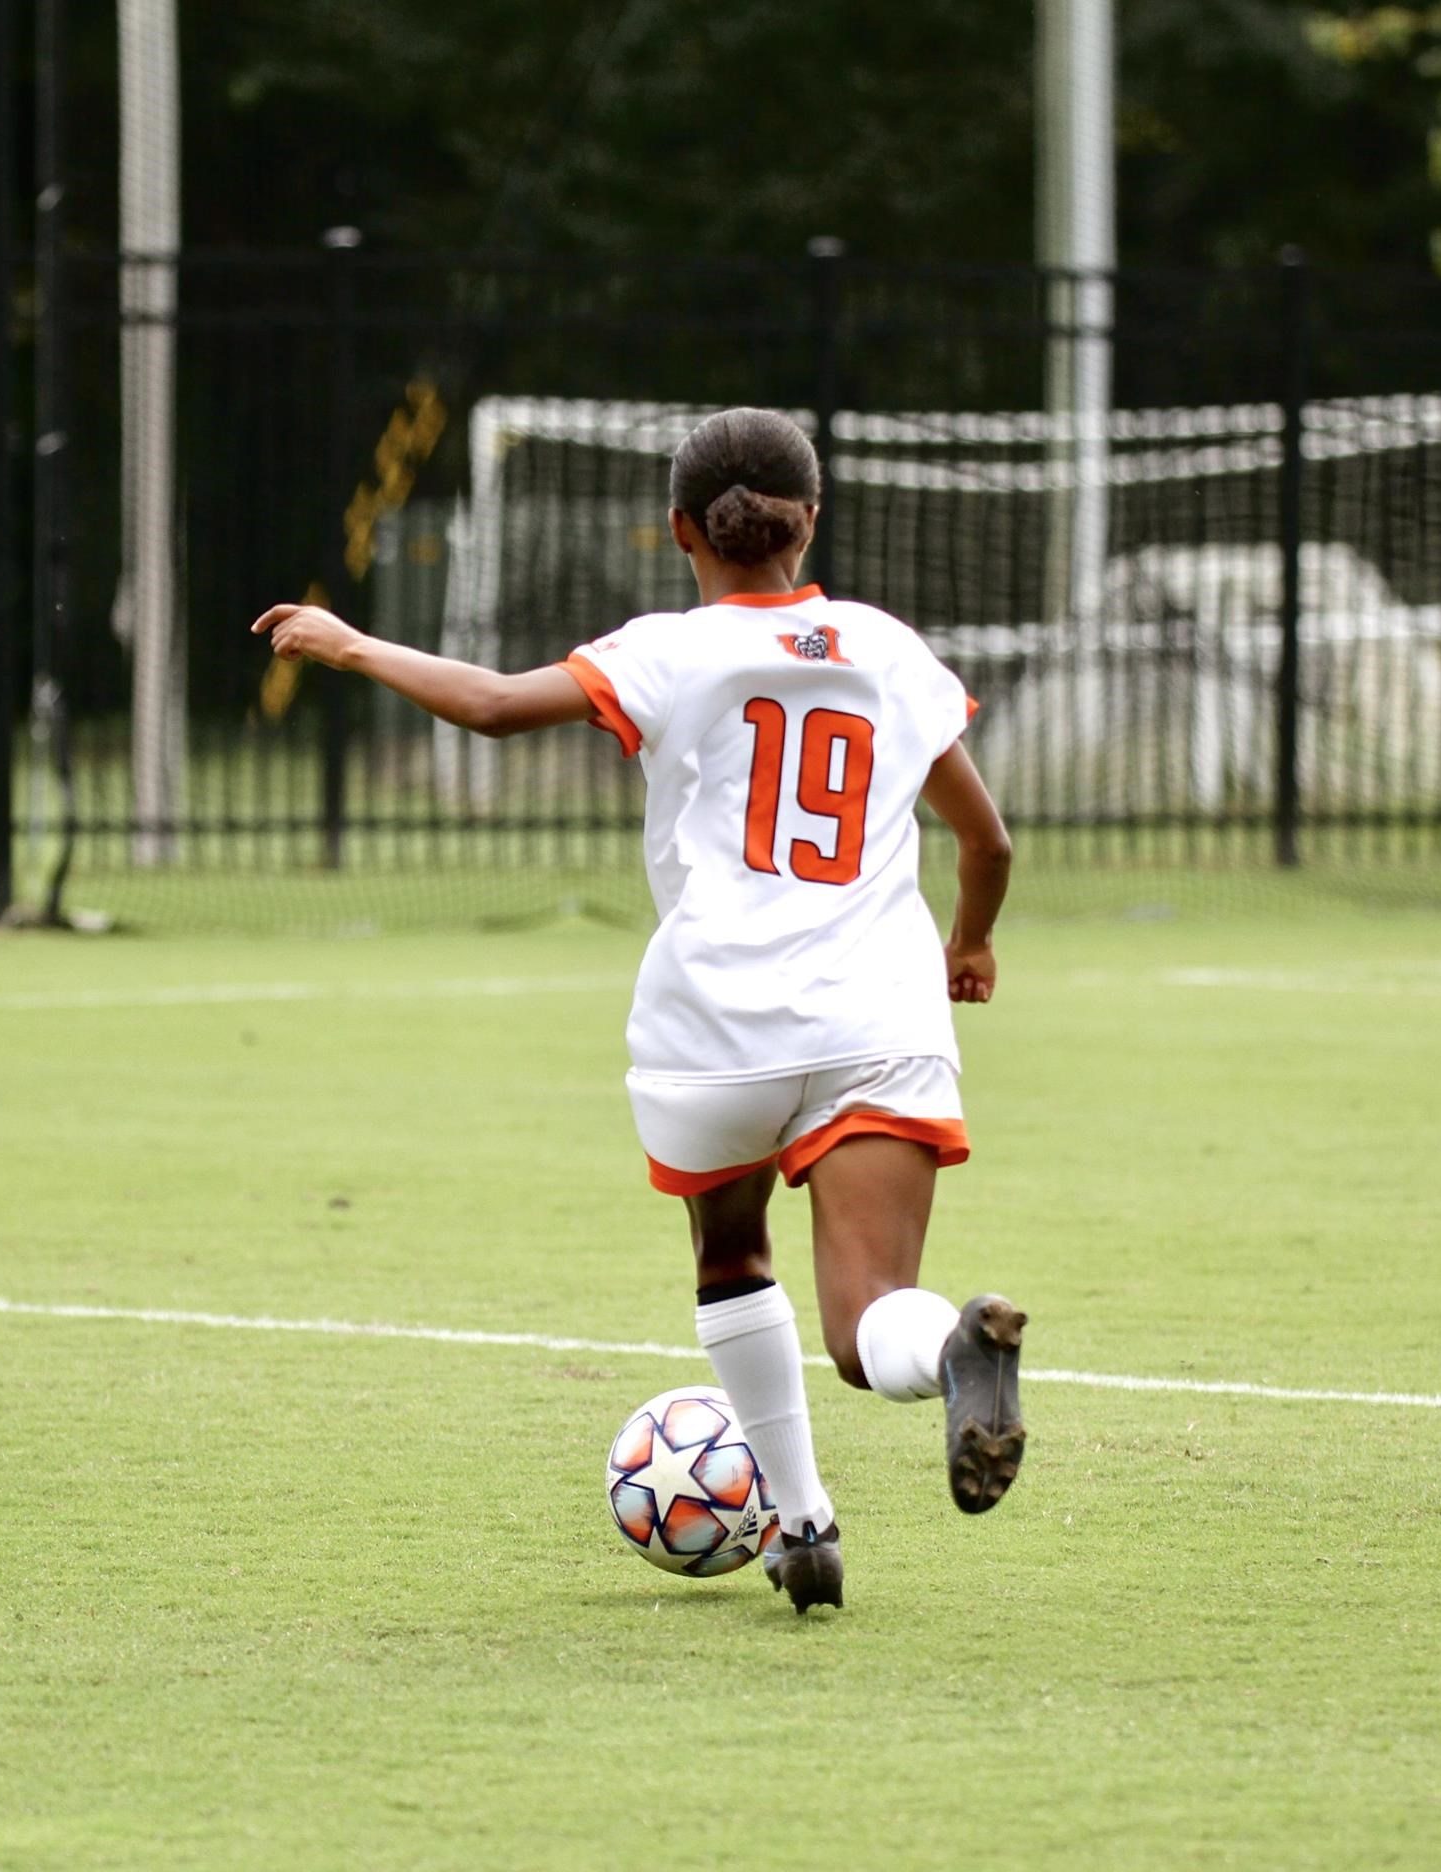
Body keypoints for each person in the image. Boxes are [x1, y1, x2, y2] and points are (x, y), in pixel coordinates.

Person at [251, 407, 1025, 1614]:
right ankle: (948, 1349)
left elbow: (493, 705)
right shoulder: (886, 648)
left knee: (733, 1256)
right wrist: (968, 942)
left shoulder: (672, 649)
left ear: (679, 531)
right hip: (878, 1018)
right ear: (811, 520)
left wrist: (352, 645)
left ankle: (804, 1524)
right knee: (868, 1312)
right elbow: (987, 843)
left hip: (719, 1023)